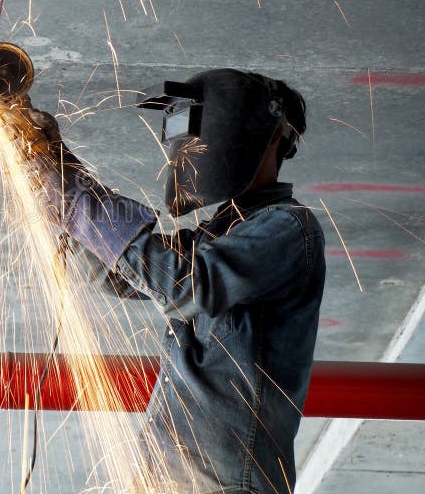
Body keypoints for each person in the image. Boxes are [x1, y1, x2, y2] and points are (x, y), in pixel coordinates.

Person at [25, 69, 326, 494]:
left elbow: (185, 285)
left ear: (275, 135)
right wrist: (58, 170)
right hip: (168, 476)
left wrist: (77, 202)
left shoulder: (289, 228)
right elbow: (123, 276)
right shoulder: (214, 237)